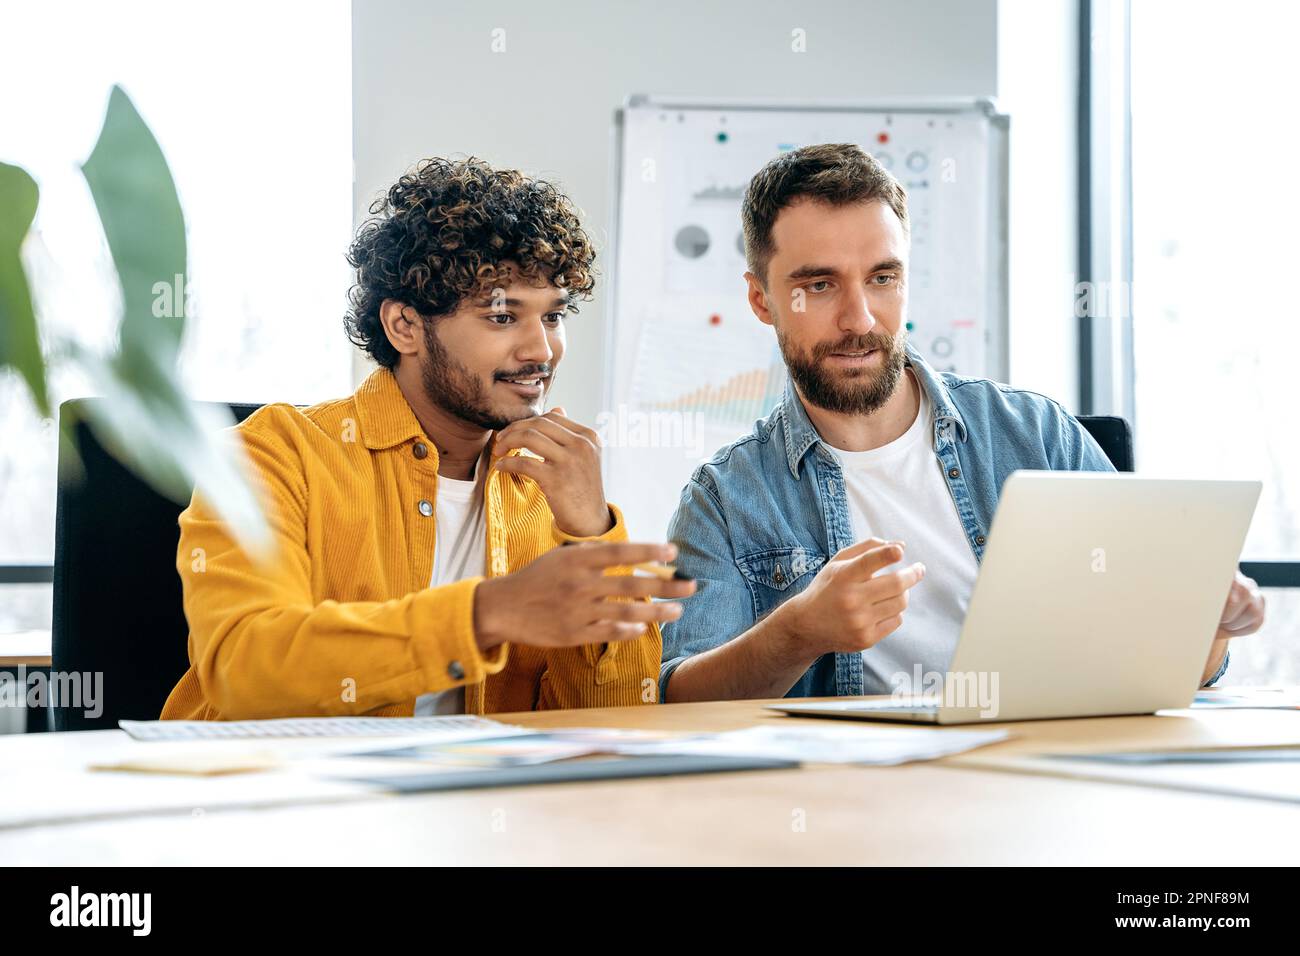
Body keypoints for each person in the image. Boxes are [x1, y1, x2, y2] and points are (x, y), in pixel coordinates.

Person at [660, 143, 1263, 703]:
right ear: (762, 299)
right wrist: (795, 634)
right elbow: (681, 701)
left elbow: (1167, 666)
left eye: (882, 278)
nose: (859, 318)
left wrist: (1205, 626)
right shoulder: (725, 500)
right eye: (819, 285)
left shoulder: (1035, 435)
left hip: (1039, 780)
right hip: (852, 799)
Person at [162, 157, 693, 720]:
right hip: (288, 799)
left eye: (554, 317)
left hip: (475, 801)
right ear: (405, 327)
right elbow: (246, 671)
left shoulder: (549, 490)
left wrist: (591, 533)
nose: (542, 350)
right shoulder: (271, 454)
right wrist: (485, 615)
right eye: (503, 318)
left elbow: (611, 724)